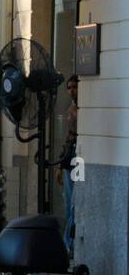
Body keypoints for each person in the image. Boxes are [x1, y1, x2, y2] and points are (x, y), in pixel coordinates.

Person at [60, 75, 79, 254]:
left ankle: (68, 242)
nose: (72, 90)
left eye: (75, 87)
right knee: (68, 200)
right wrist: (60, 165)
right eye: (69, 87)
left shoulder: (83, 108)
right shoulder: (70, 108)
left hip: (79, 156)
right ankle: (68, 241)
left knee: (75, 201)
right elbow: (67, 136)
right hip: (68, 156)